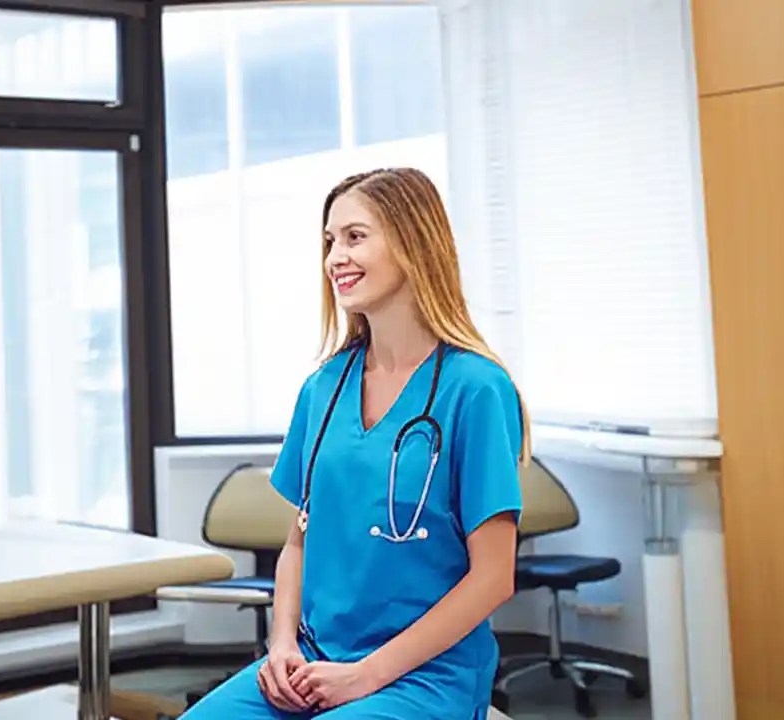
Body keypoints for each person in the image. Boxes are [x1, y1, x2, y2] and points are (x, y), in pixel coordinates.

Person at [182, 168, 528, 720]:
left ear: (413, 242)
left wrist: (365, 676)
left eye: (355, 236)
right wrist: (281, 647)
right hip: (314, 660)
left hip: (425, 674)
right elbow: (298, 541)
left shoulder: (477, 389)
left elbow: (493, 577)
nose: (334, 257)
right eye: (329, 241)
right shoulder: (324, 387)